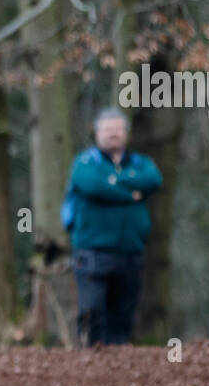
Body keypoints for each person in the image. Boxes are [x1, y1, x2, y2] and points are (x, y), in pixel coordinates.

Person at [63, 108, 162, 346]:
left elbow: (153, 180)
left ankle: (118, 365)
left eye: (117, 129)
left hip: (131, 252)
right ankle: (90, 359)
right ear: (97, 134)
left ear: (125, 133)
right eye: (107, 129)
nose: (112, 134)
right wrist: (132, 193)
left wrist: (114, 182)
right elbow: (93, 186)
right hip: (92, 252)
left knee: (124, 312)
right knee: (92, 309)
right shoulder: (85, 162)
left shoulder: (141, 162)